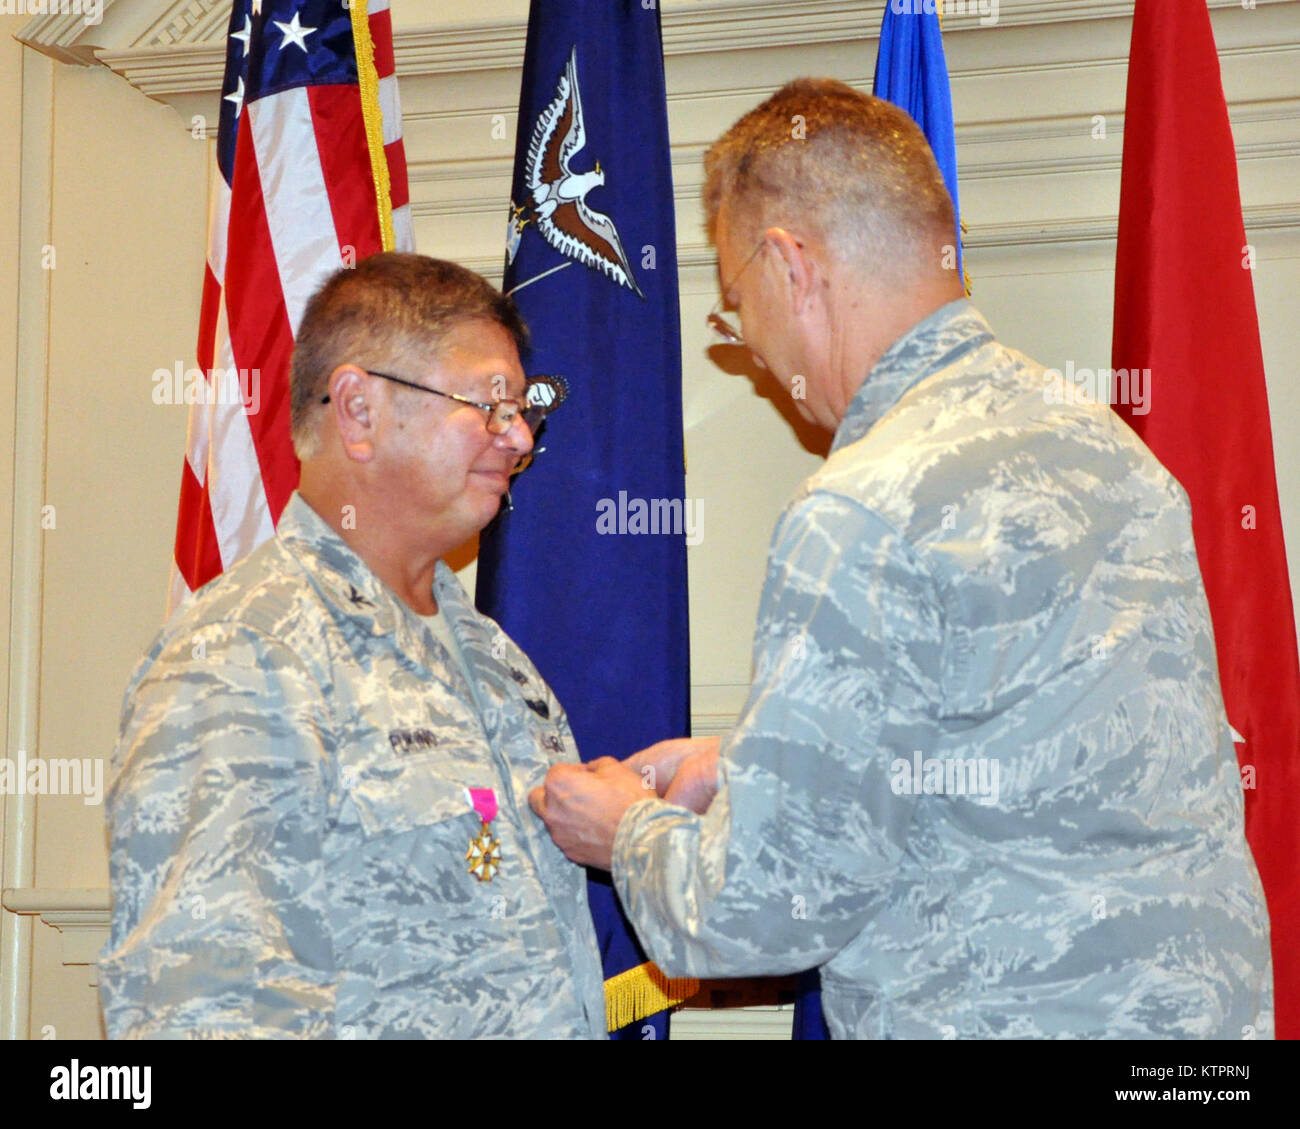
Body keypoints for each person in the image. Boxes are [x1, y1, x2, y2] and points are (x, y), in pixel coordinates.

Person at [530, 79, 1275, 1039]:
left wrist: (623, 825)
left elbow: (754, 914)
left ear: (791, 266)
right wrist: (758, 762)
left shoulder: (861, 506)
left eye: (734, 306)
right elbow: (1045, 751)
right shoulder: (1112, 451)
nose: (748, 349)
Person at [101, 253, 606, 1039]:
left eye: (524, 409)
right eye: (488, 404)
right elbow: (208, 1006)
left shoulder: (499, 664)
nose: (518, 440)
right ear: (359, 410)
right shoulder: (248, 651)